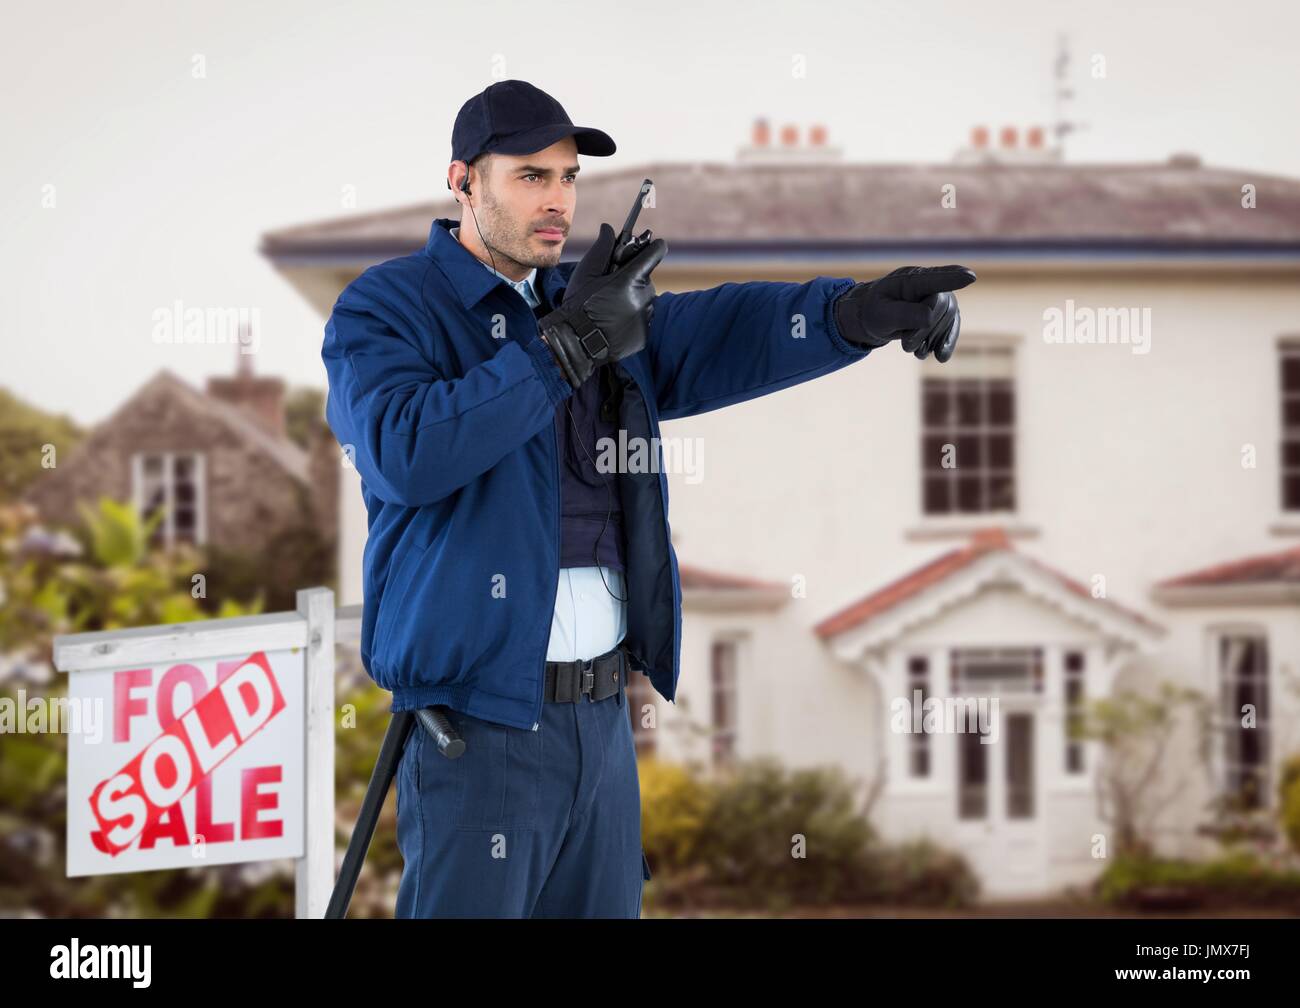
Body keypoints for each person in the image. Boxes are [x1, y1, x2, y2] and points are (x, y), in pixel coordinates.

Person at [320, 79, 976, 918]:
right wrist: (567, 348)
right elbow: (404, 452)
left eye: (566, 178)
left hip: (600, 724)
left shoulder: (590, 310)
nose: (556, 200)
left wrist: (855, 313)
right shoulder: (387, 308)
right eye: (530, 177)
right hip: (478, 733)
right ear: (463, 182)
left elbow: (726, 333)